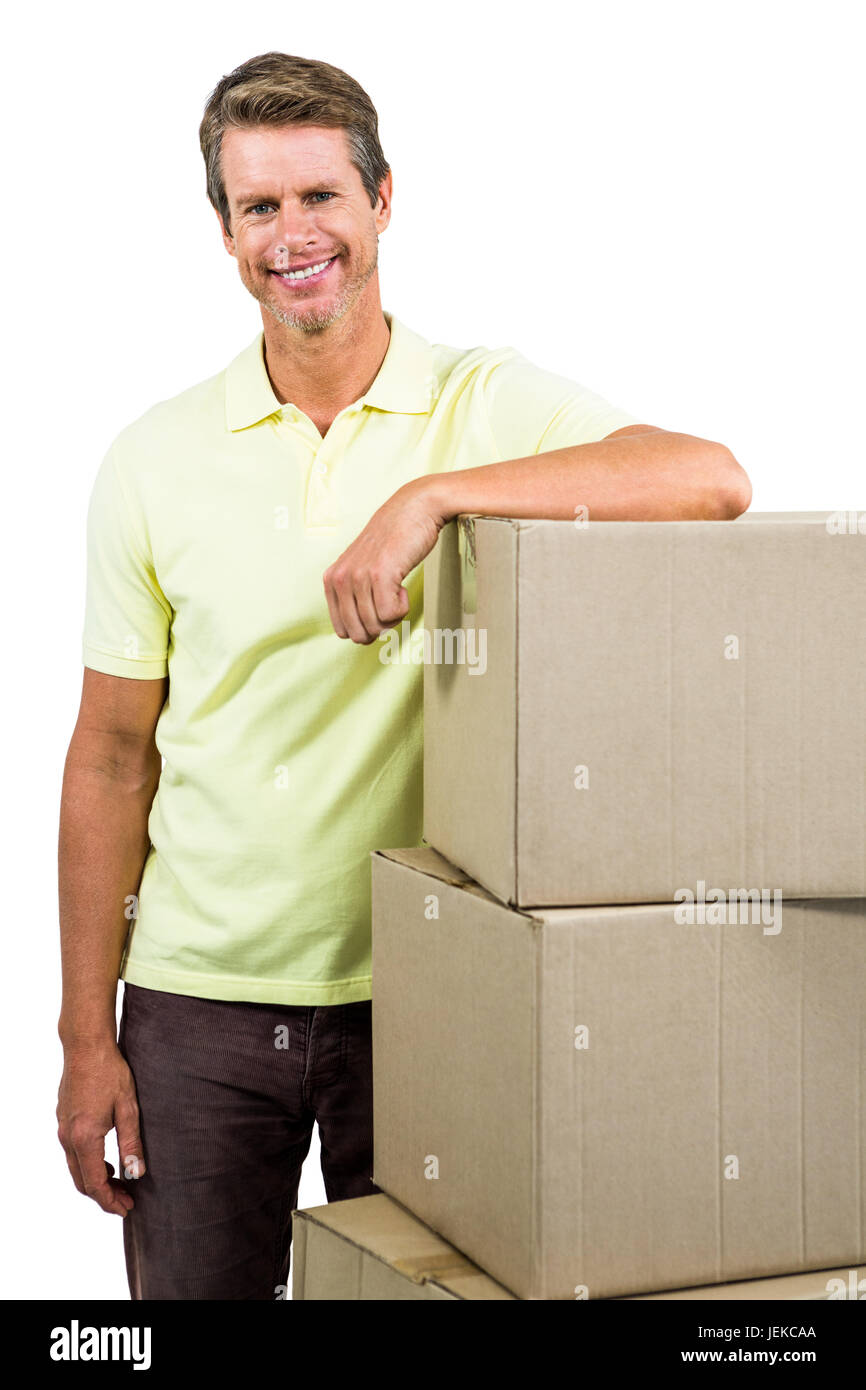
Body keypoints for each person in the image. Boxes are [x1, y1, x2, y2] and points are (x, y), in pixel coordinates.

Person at [56, 50, 751, 1301]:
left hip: (424, 989)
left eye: (320, 195)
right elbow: (111, 755)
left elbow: (707, 479)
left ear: (384, 200)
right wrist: (82, 1034)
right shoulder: (150, 460)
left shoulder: (482, 403)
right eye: (258, 206)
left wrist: (432, 496)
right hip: (196, 1004)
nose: (293, 233)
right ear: (223, 233)